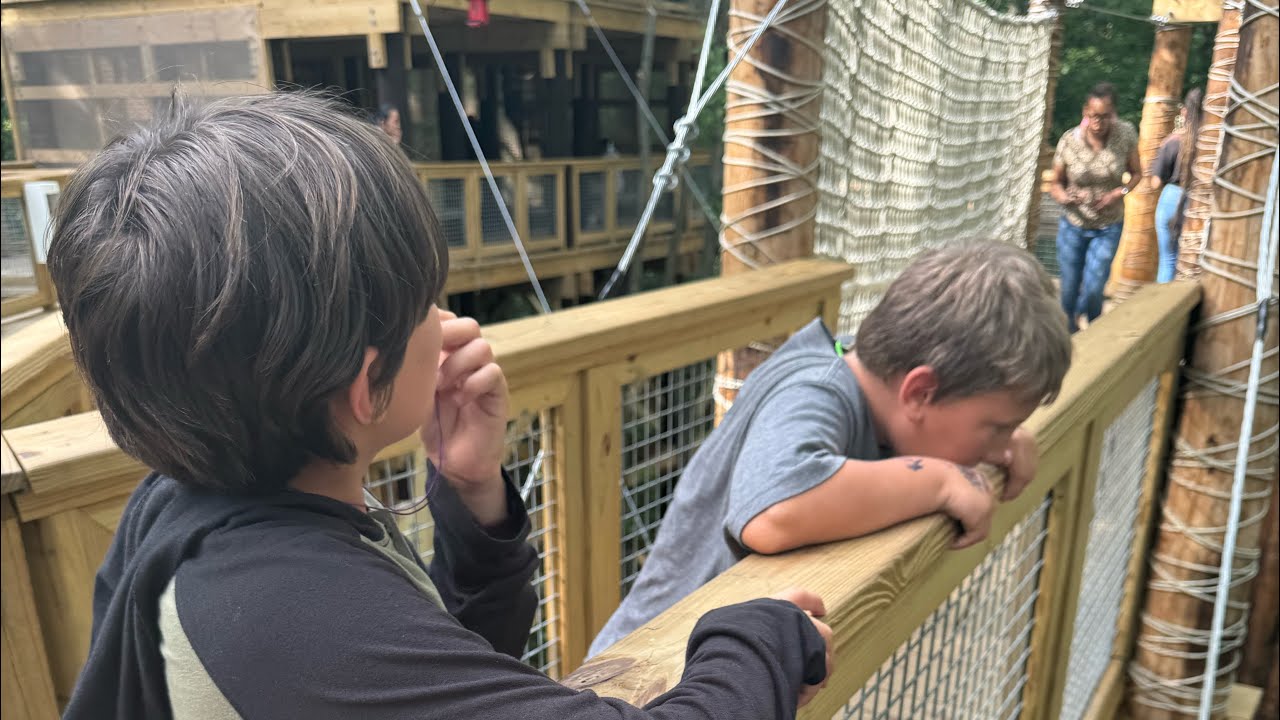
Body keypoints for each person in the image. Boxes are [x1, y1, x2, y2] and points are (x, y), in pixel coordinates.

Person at [51, 92, 831, 720]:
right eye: (428, 303)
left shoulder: (189, 507)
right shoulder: (288, 617)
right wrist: (751, 635)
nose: (449, 322)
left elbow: (434, 673)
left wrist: (473, 498)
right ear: (365, 385)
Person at [589, 242, 1073, 657]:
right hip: (642, 678)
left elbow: (915, 440)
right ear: (920, 392)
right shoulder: (817, 387)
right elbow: (771, 511)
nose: (1001, 443)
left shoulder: (863, 376)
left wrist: (998, 443)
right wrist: (941, 479)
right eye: (995, 427)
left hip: (712, 672)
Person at [1049, 82, 1142, 331]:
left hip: (1108, 225)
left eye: (1104, 117)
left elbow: (1136, 174)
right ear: (1085, 113)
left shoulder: (1125, 134)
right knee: (1068, 288)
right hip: (1074, 224)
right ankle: (1068, 333)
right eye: (1093, 117)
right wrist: (1064, 198)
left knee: (1094, 286)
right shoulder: (1070, 140)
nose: (1098, 123)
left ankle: (1095, 330)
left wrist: (1118, 193)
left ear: (1113, 114)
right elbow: (1055, 183)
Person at [1150, 87, 1204, 283]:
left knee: (1168, 259)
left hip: (1171, 198)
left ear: (1184, 111)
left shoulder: (1173, 142)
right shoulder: (1209, 144)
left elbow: (1155, 182)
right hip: (1197, 201)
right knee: (1190, 261)